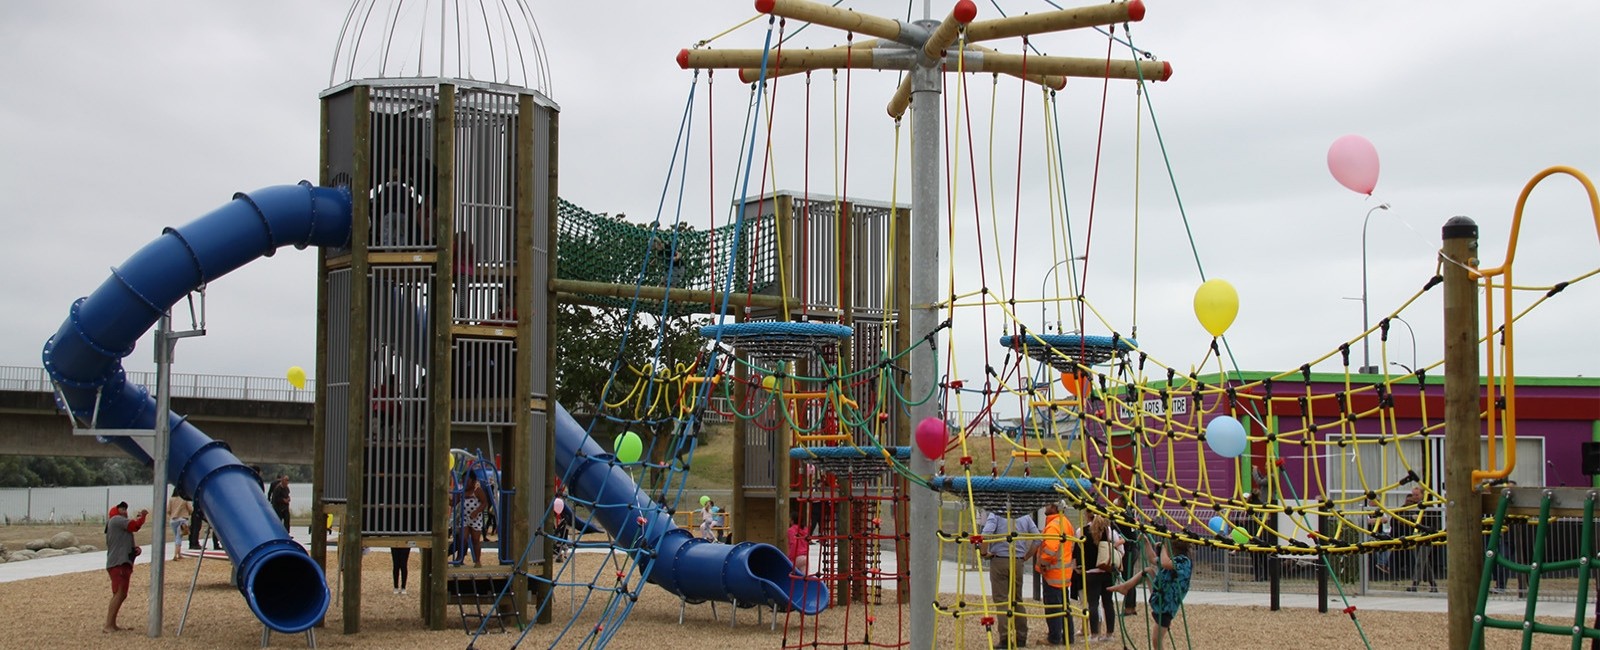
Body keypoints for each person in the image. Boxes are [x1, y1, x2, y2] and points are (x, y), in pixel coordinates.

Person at [1109, 538, 1192, 650]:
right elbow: (1152, 559)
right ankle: (1125, 587)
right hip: (1160, 596)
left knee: (1156, 641)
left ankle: (1125, 587)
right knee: (1148, 571)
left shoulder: (1184, 561)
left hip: (1167, 606)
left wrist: (1164, 547)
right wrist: (1146, 542)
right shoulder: (1173, 559)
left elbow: (1165, 563)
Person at [980, 507, 1039, 649]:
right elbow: (1038, 539)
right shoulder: (1024, 516)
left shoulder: (996, 514)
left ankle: (1005, 638)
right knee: (1017, 599)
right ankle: (1021, 637)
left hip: (999, 559)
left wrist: (984, 553)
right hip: (1017, 561)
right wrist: (1026, 556)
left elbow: (985, 534)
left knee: (1001, 600)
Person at [1034, 502, 1077, 646]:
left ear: (1054, 507)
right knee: (1065, 607)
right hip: (1064, 572)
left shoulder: (1053, 526)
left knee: (1053, 607)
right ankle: (1068, 636)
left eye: (1048, 505)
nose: (1045, 506)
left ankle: (1054, 637)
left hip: (1052, 573)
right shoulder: (1066, 523)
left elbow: (1050, 549)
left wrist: (1043, 563)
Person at [104, 501, 149, 633]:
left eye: (125, 509)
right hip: (119, 563)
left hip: (118, 562)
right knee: (119, 593)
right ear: (115, 511)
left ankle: (112, 624)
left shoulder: (115, 524)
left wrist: (134, 550)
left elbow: (121, 542)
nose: (124, 511)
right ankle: (108, 625)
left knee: (120, 594)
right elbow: (134, 526)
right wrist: (143, 517)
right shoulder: (116, 520)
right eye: (121, 509)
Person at [1082, 514, 1124, 642]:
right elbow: (1122, 552)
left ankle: (1094, 634)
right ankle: (1109, 633)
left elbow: (1079, 551)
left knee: (1093, 603)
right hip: (1107, 571)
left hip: (1091, 571)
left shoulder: (1083, 531)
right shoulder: (1111, 533)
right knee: (1108, 602)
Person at [1403, 485, 1438, 593]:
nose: (1415, 497)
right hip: (1415, 537)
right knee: (1424, 562)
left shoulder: (1428, 506)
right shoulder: (1412, 506)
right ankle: (1433, 585)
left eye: (1417, 495)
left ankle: (1415, 584)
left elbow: (1433, 522)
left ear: (1422, 495)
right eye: (1413, 494)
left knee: (1420, 561)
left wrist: (1420, 520)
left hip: (1426, 538)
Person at [461, 472, 488, 567]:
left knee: (475, 540)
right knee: (463, 538)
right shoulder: (462, 491)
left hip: (475, 518)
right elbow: (454, 502)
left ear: (473, 481)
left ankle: (477, 561)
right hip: (465, 517)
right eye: (463, 481)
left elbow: (484, 503)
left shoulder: (477, 490)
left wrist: (476, 512)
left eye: (467, 481)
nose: (464, 483)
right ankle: (460, 558)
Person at [1366, 496, 1393, 578]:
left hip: (1380, 534)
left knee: (1388, 543)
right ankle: (1380, 564)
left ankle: (1381, 563)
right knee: (1375, 545)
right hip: (1368, 534)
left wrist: (1377, 520)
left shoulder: (1380, 510)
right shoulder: (1366, 510)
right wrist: (1379, 520)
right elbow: (1368, 521)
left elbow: (1385, 520)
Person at [166, 488, 192, 561]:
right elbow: (190, 509)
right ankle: (176, 555)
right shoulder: (184, 499)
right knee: (179, 537)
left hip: (173, 520)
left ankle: (179, 554)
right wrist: (188, 514)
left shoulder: (171, 499)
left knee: (177, 536)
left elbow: (168, 510)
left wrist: (172, 515)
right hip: (182, 519)